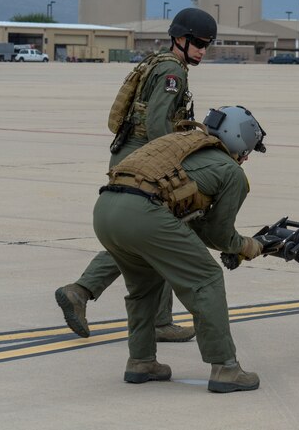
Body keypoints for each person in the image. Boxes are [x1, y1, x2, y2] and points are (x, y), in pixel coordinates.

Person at [55, 8, 217, 342]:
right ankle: (82, 290)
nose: (202, 50)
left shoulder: (157, 62)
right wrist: (172, 168)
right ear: (180, 39)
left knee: (157, 236)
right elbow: (159, 124)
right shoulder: (173, 72)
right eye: (198, 42)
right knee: (151, 234)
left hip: (130, 154)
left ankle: (159, 321)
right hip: (145, 161)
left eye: (207, 45)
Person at [93, 105, 268, 393]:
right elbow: (219, 234)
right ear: (240, 140)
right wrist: (248, 246)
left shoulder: (183, 142)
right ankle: (225, 368)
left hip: (106, 208)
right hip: (143, 214)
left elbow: (191, 224)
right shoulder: (230, 171)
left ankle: (141, 361)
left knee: (143, 287)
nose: (246, 157)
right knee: (206, 279)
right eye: (248, 150)